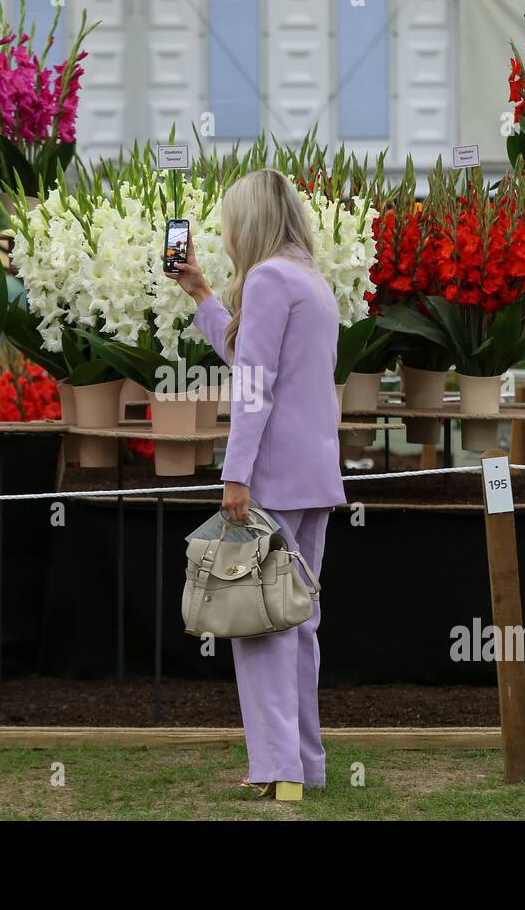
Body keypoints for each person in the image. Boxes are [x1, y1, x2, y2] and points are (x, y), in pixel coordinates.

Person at [169, 168, 345, 801]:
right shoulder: (310, 280)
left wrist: (235, 474)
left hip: (271, 477)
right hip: (315, 477)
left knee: (258, 624)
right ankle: (304, 766)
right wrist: (203, 295)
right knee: (296, 622)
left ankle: (278, 772)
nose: (222, 232)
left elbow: (251, 388)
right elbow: (254, 361)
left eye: (229, 221)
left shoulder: (270, 279)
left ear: (251, 222)